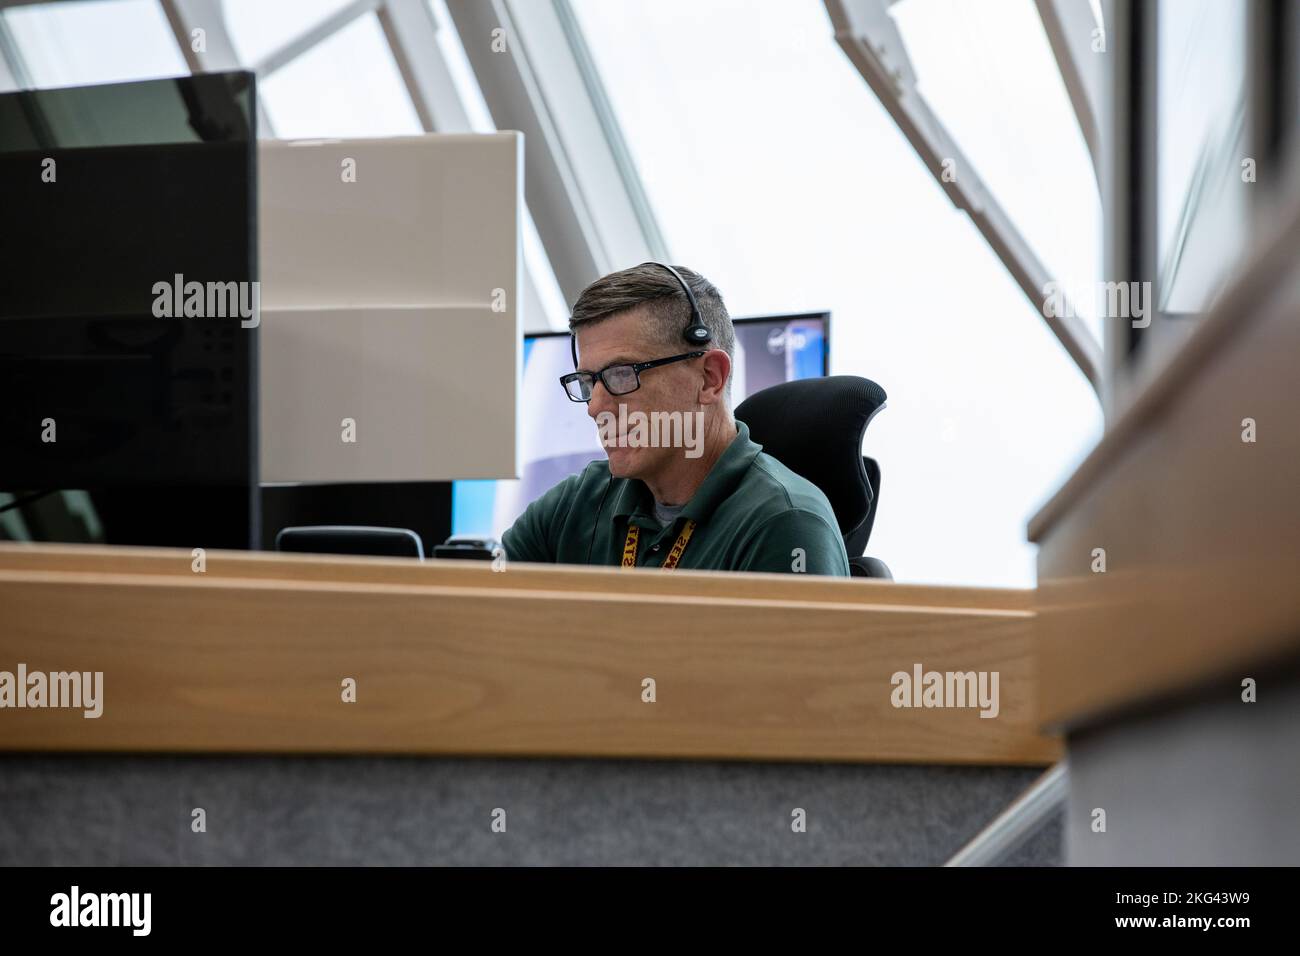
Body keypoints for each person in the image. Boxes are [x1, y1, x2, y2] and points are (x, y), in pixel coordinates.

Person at [502, 262, 849, 575]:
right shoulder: (577, 503)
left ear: (710, 377)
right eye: (589, 382)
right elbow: (472, 600)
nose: (594, 407)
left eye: (622, 374)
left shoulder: (787, 525)